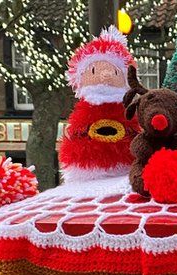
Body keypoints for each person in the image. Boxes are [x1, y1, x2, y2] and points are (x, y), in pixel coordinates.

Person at [59, 26, 142, 183]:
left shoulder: (127, 110)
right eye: (95, 70)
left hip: (125, 166)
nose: (106, 75)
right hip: (86, 164)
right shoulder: (84, 111)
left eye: (115, 72)